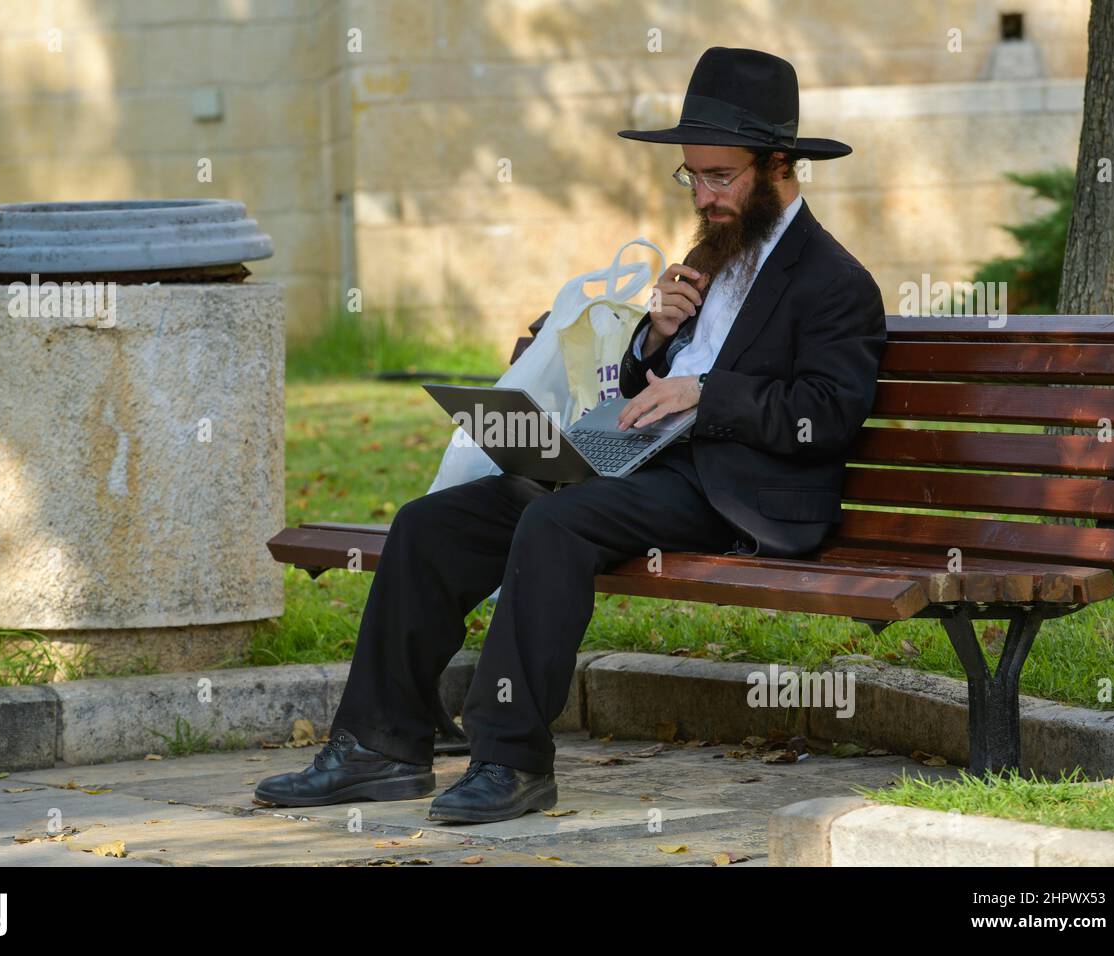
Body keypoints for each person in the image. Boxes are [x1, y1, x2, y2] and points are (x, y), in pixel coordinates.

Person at [255, 47, 886, 824]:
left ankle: (509, 761)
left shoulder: (834, 280)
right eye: (692, 176)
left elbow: (826, 412)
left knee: (555, 522)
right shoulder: (710, 256)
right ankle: (377, 747)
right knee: (429, 525)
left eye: (721, 176)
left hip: (736, 490)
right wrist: (655, 339)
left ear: (779, 165)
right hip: (641, 462)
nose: (705, 195)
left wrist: (708, 391)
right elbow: (638, 378)